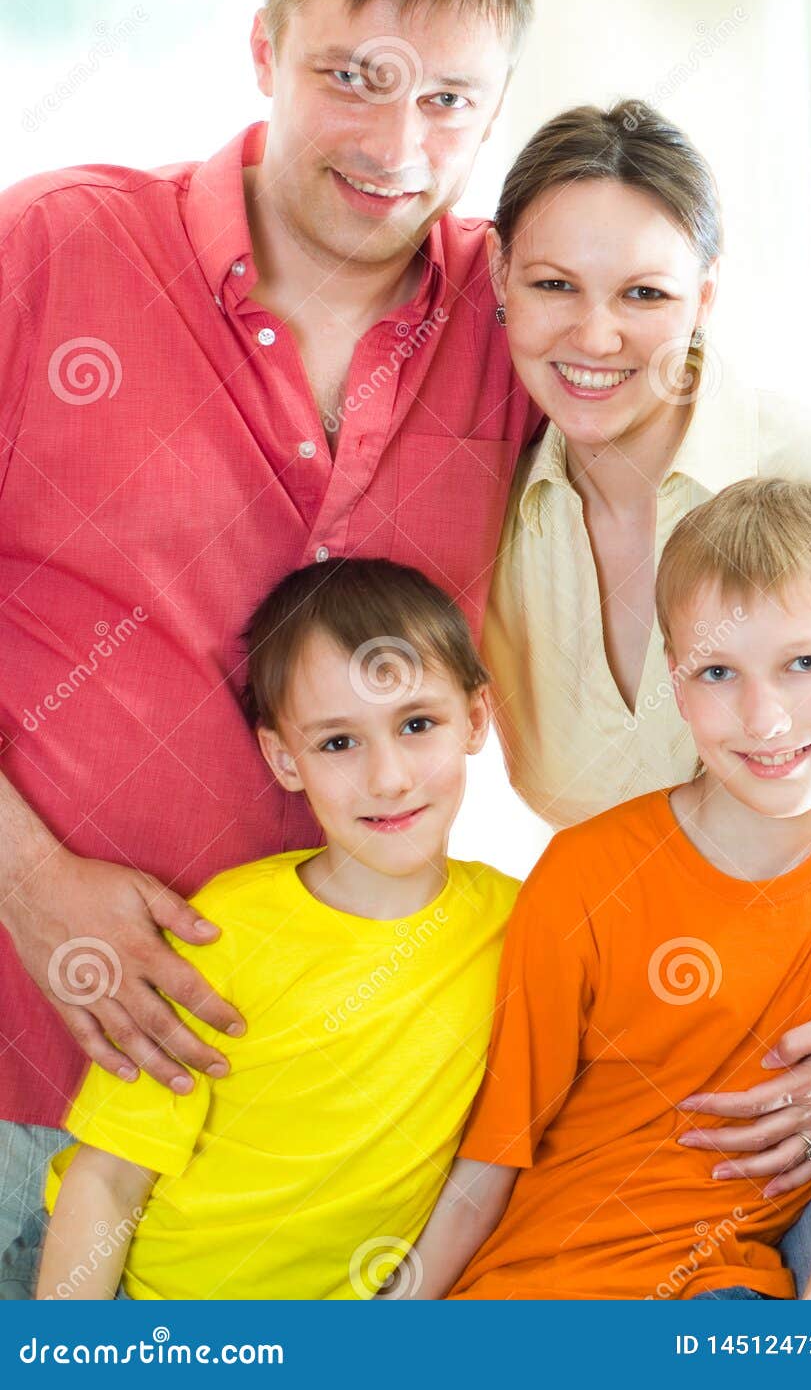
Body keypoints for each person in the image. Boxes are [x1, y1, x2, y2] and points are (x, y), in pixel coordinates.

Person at [0, 0, 811, 1298]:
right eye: (355, 76)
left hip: (380, 1154)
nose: (399, 145)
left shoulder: (513, 306)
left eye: (452, 100)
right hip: (37, 1069)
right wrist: (25, 878)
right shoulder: (50, 251)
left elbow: (672, 362)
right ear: (263, 51)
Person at [480, 100, 811, 1296]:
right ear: (500, 284)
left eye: (646, 294)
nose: (594, 335)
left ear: (708, 298)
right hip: (658, 1082)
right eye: (554, 285)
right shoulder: (487, 516)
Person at [383, 479, 811, 1302]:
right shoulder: (586, 872)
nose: (762, 718)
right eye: (718, 672)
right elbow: (489, 1164)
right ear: (678, 689)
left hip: (710, 1302)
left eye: (804, 663)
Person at [34, 557, 517, 1300]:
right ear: (284, 758)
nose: (388, 777)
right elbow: (108, 1175)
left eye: (417, 724)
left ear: (476, 719)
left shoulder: (520, 923)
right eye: (337, 743)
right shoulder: (225, 927)